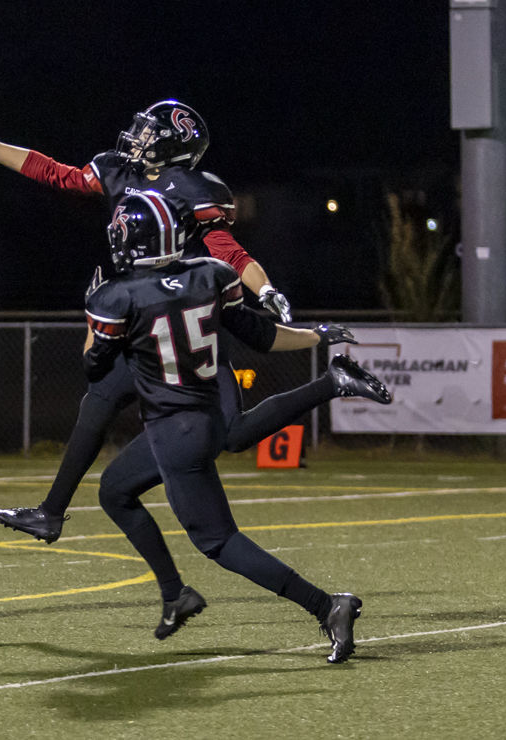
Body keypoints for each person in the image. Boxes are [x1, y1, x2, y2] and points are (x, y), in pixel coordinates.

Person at [0, 102, 388, 544]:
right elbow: (54, 173)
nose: (139, 136)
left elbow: (225, 248)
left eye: (151, 131)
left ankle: (334, 381)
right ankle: (50, 512)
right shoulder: (117, 169)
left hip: (187, 326)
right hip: (141, 320)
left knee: (233, 434)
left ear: (173, 146)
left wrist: (263, 288)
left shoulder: (194, 189)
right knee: (99, 400)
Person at [84, 192, 368, 662]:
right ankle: (174, 593)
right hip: (204, 406)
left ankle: (326, 605)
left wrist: (92, 321)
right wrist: (317, 334)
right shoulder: (209, 276)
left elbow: (96, 369)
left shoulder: (118, 295)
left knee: (219, 542)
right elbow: (257, 333)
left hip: (174, 428)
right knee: (114, 489)